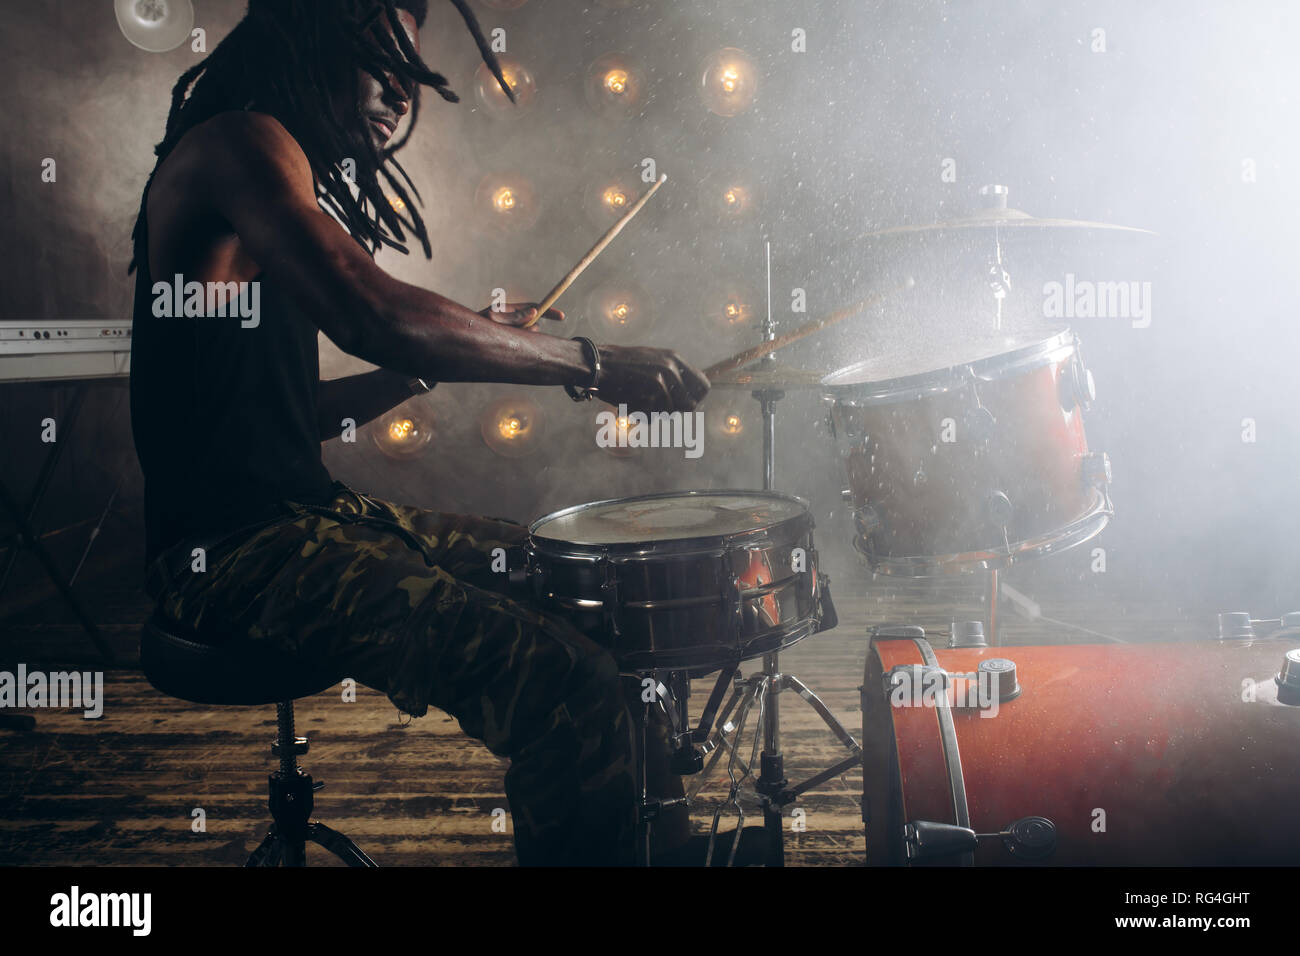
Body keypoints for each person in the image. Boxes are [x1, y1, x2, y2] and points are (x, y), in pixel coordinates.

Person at [128, 0, 708, 866]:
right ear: (310, 37)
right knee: (560, 683)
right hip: (228, 558)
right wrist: (586, 360)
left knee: (585, 585)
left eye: (413, 71)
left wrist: (425, 364)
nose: (401, 92)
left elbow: (297, 418)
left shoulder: (267, 170)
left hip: (308, 518)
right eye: (380, 59)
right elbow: (371, 312)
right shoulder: (239, 142)